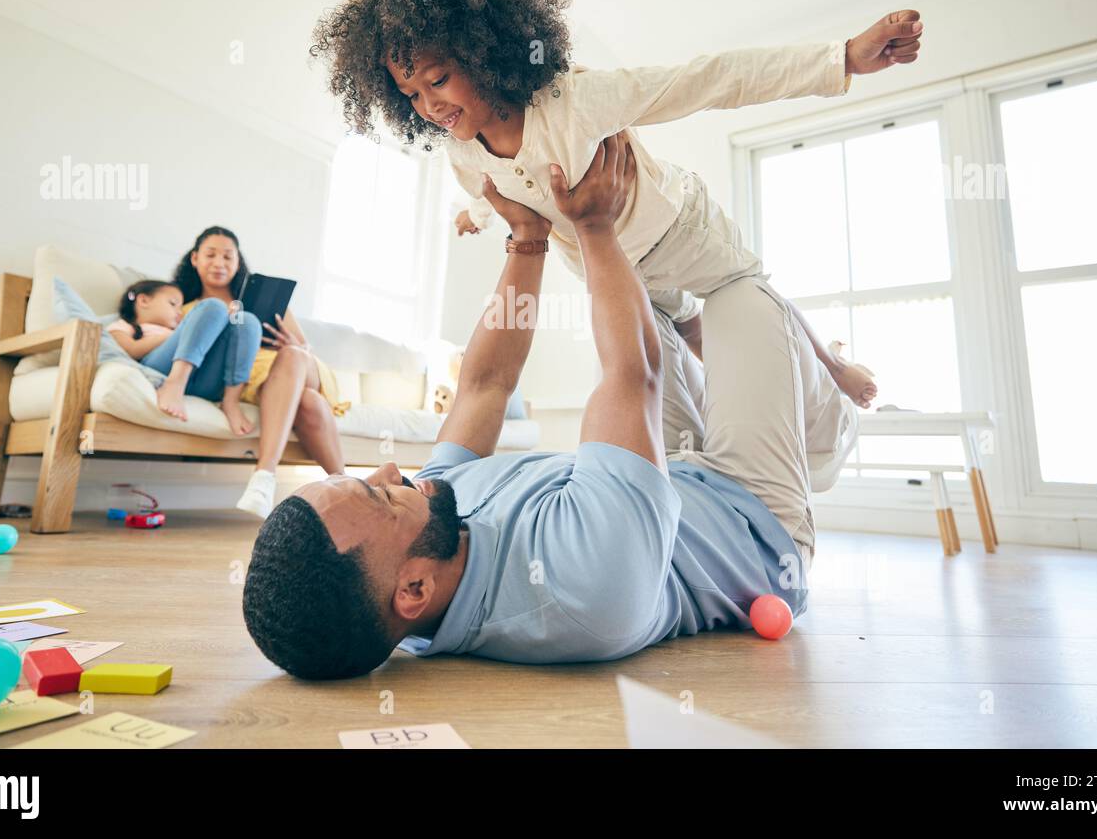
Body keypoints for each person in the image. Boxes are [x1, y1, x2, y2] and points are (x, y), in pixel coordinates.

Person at [242, 133, 857, 680]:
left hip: (671, 477)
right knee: (738, 293)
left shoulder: (425, 529)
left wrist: (527, 240)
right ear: (413, 589)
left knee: (659, 304)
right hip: (752, 518)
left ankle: (773, 393)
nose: (386, 472)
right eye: (378, 494)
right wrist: (594, 228)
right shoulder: (579, 590)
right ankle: (829, 439)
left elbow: (485, 383)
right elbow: (631, 374)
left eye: (365, 479)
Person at [309, 0, 922, 409]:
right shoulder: (460, 151)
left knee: (756, 303)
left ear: (482, 49)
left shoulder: (574, 100)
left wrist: (841, 57)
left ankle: (833, 364)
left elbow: (707, 80)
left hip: (679, 228)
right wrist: (475, 215)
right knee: (691, 342)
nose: (429, 104)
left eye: (439, 78)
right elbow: (494, 189)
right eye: (411, 94)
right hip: (612, 270)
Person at [173, 226, 348, 517]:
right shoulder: (189, 308)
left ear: (238, 263)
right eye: (211, 255)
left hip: (303, 367)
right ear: (194, 259)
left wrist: (296, 345)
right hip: (261, 383)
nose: (219, 263)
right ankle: (347, 491)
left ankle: (264, 475)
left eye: (228, 257)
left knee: (292, 355)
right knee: (309, 403)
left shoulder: (267, 302)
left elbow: (306, 349)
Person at [108, 279, 263, 429]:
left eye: (181, 308)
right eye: (173, 304)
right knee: (214, 305)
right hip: (163, 371)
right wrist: (178, 333)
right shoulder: (126, 326)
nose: (179, 312)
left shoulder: (182, 330)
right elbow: (131, 350)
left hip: (203, 381)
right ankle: (175, 384)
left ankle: (231, 400)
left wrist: (219, 325)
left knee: (247, 321)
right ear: (143, 301)